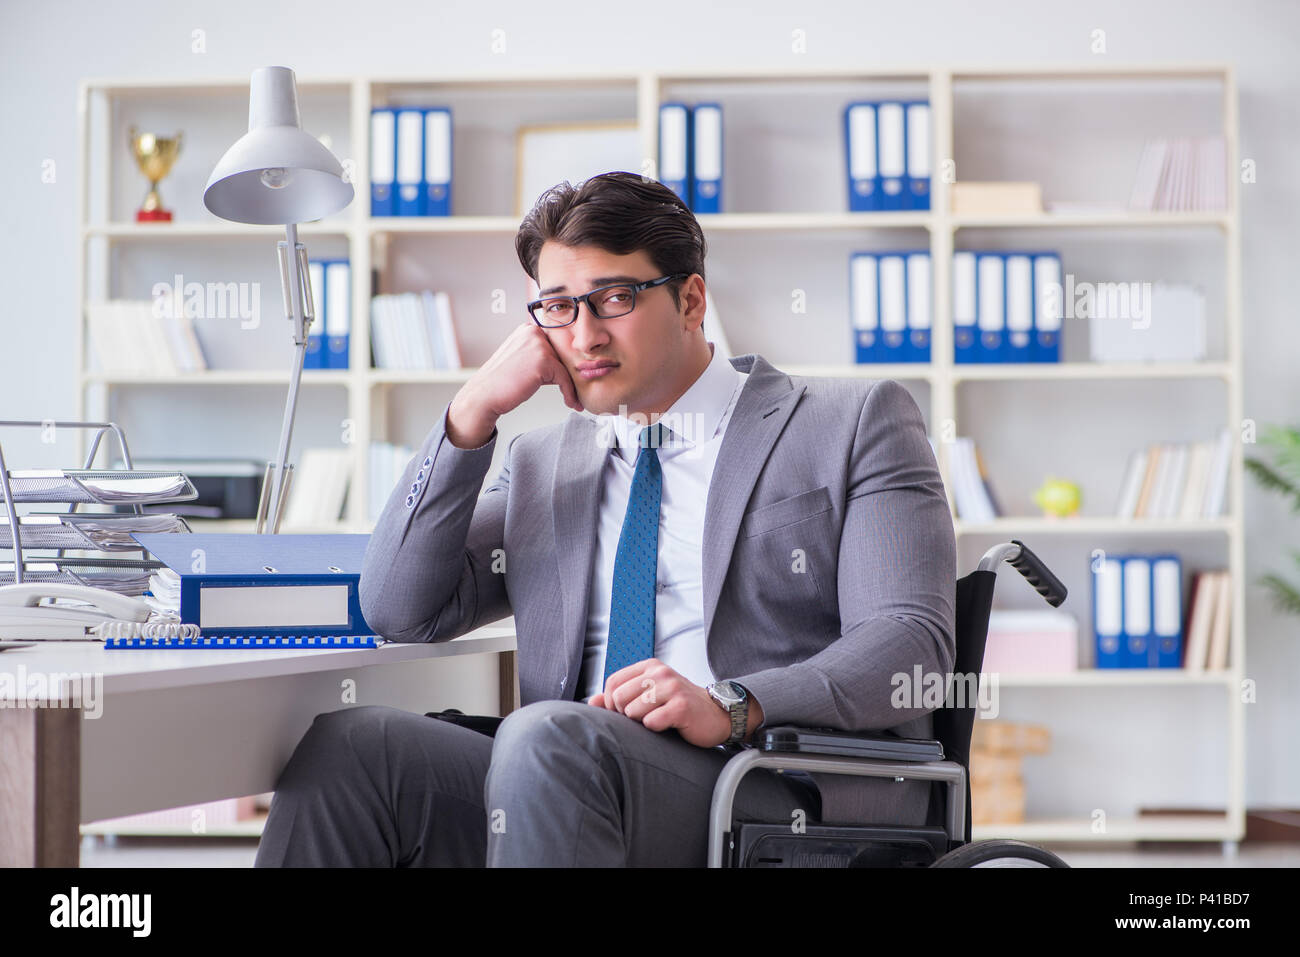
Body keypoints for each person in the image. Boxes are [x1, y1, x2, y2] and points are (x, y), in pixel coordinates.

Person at [253, 171, 956, 867]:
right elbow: (398, 608)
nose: (584, 335)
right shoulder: (544, 462)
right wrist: (470, 415)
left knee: (550, 740)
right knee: (352, 748)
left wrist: (733, 704)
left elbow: (909, 640)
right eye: (557, 307)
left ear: (691, 299)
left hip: (773, 784)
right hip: (562, 774)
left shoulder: (849, 422)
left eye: (613, 298)